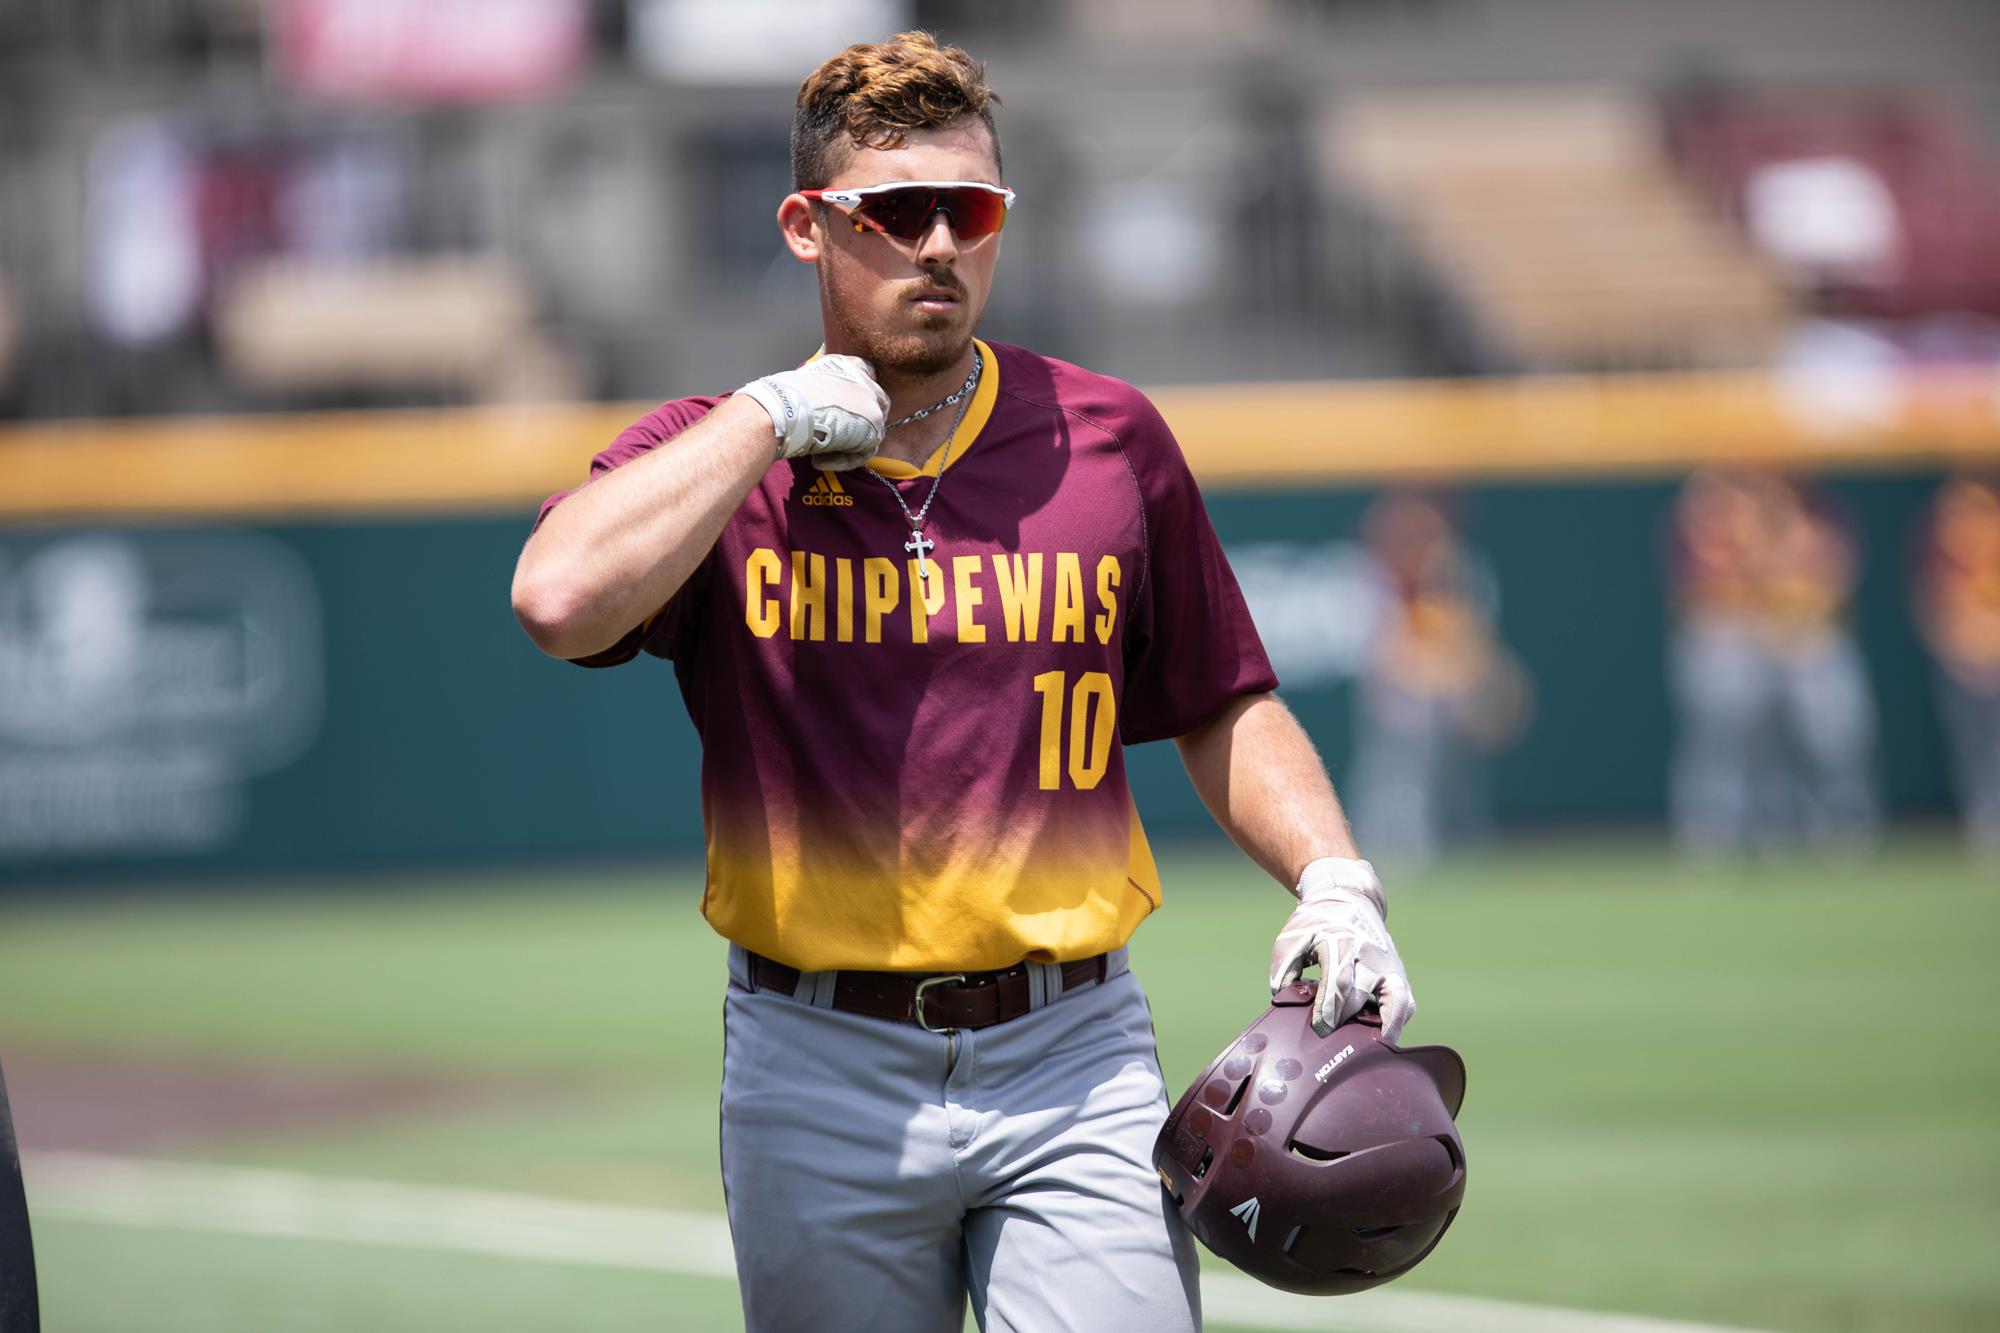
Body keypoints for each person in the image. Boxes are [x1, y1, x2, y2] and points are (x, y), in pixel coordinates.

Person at [510, 33, 1414, 1332]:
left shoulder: (1110, 438)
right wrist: (767, 417)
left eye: (971, 210)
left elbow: (1220, 697)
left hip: (1074, 1050)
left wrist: (1335, 878)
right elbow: (555, 598)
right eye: (896, 211)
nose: (939, 242)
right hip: (813, 1057)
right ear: (808, 227)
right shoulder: (717, 458)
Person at [1347, 492, 1530, 867]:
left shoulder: (1459, 571)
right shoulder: (1379, 575)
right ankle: (1386, 844)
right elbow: (1382, 645)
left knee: (1455, 770)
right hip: (1400, 688)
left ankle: (1461, 839)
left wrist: (1464, 678)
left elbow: (1470, 638)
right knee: (1391, 770)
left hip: (1443, 691)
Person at [1914, 475, 2000, 853]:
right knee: (1972, 743)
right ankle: (1983, 820)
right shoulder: (1940, 541)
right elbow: (1929, 597)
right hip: (1961, 653)